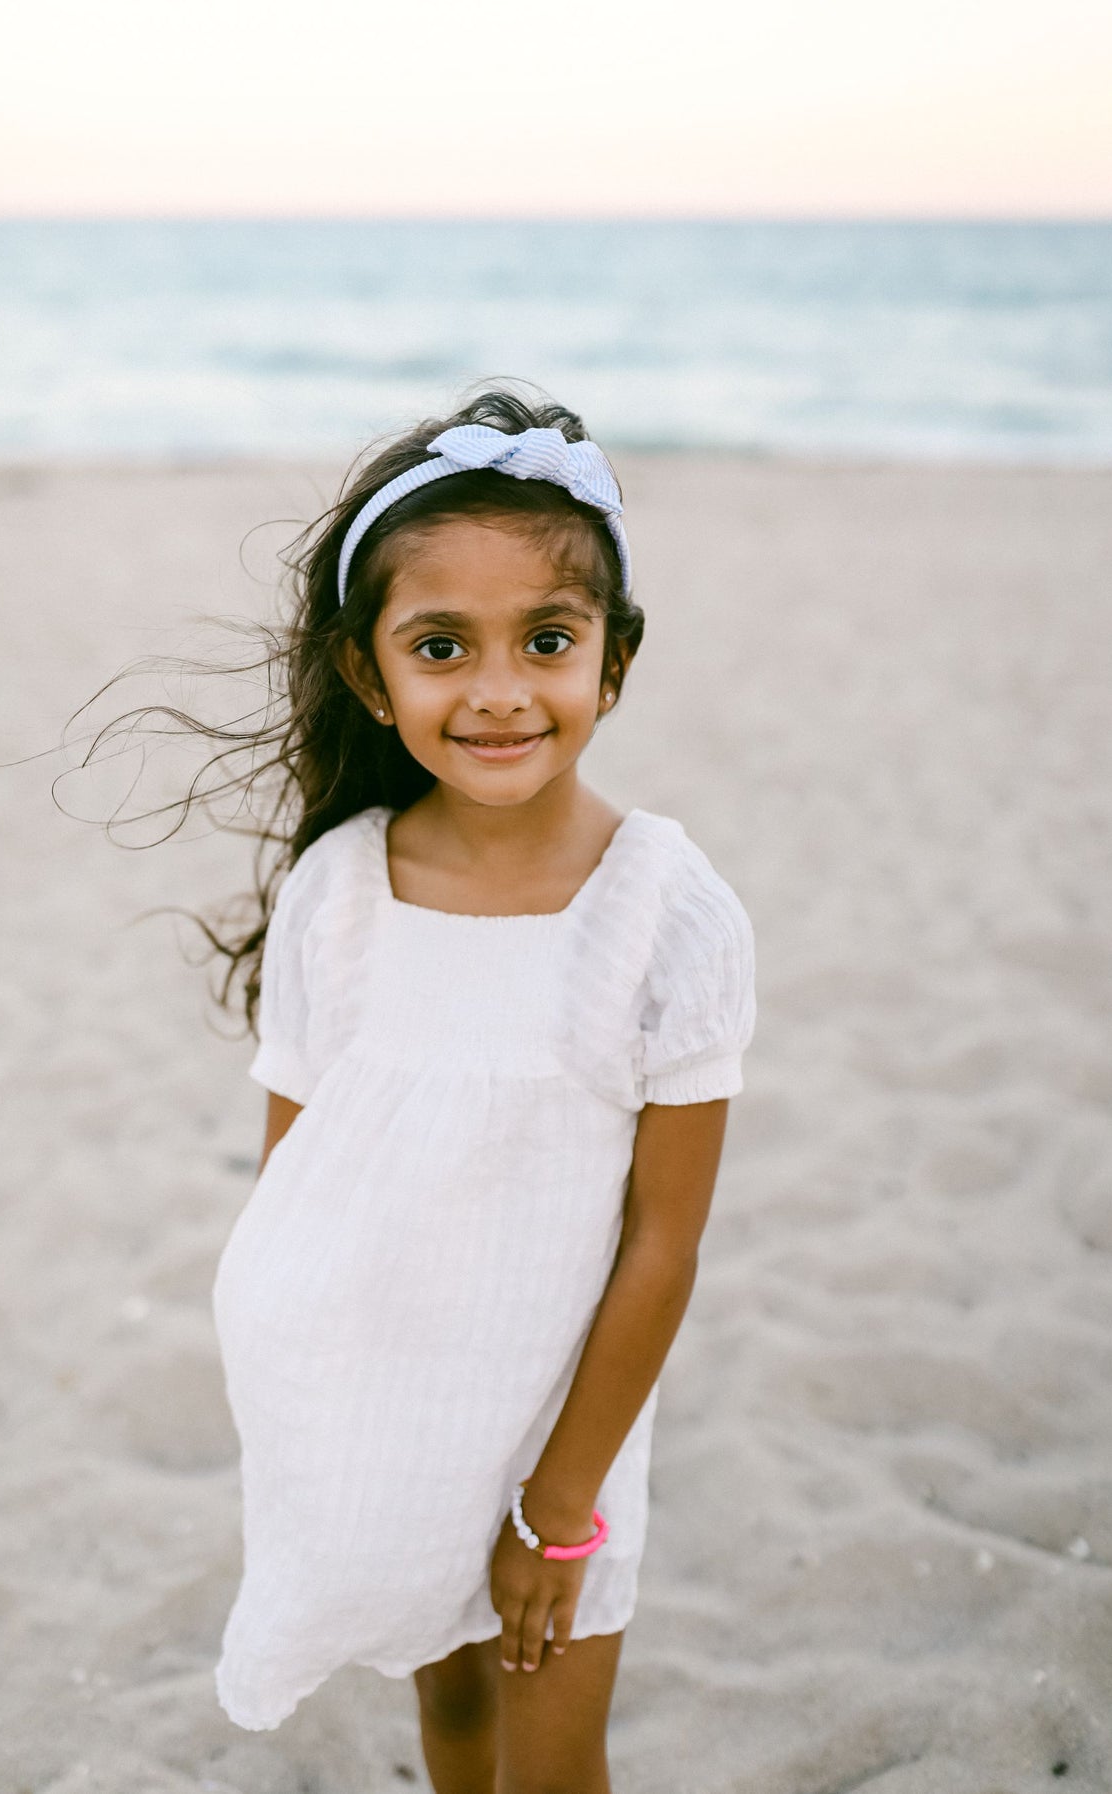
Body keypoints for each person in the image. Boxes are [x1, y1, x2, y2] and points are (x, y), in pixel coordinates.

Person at [205, 385, 756, 1790]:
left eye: (548, 641)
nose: (500, 690)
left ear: (614, 661)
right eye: (441, 646)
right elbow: (294, 1185)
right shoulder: (338, 888)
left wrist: (558, 1505)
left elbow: (664, 1241)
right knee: (449, 1722)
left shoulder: (667, 909)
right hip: (383, 1416)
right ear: (369, 672)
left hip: (560, 1435)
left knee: (553, 1762)